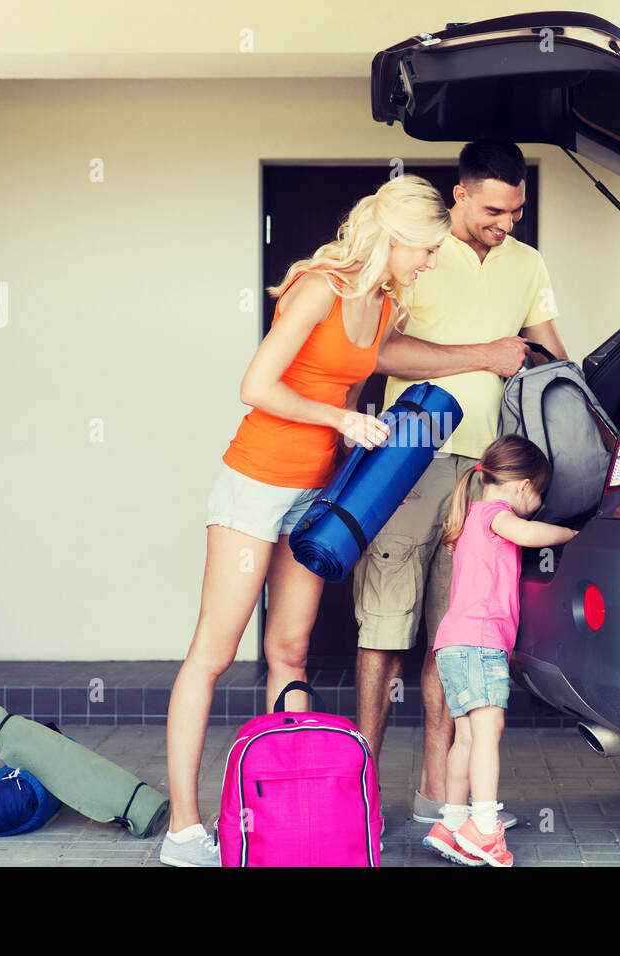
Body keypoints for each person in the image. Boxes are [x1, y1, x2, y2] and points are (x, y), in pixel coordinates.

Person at [159, 175, 451, 866]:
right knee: (214, 653)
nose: (432, 261)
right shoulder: (321, 287)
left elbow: (348, 383)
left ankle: (282, 815)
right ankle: (183, 828)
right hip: (256, 483)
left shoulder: (384, 305)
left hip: (315, 494)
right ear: (397, 237)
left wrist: (359, 437)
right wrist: (340, 419)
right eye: (428, 249)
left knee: (290, 651)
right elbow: (256, 386)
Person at [354, 140, 570, 830]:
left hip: (485, 477)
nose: (505, 224)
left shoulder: (527, 263)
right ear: (461, 194)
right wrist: (485, 354)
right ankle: (358, 795)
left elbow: (553, 357)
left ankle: (436, 797)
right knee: (384, 629)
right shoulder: (418, 252)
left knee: (456, 636)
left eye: (516, 212)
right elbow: (380, 351)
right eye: (493, 211)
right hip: (408, 460)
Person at [420, 434, 578, 867]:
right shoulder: (497, 515)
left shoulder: (472, 514)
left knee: (466, 738)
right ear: (524, 486)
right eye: (540, 494)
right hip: (480, 642)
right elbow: (528, 534)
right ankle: (486, 828)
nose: (538, 503)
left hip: (453, 644)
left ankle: (452, 823)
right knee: (489, 734)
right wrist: (573, 535)